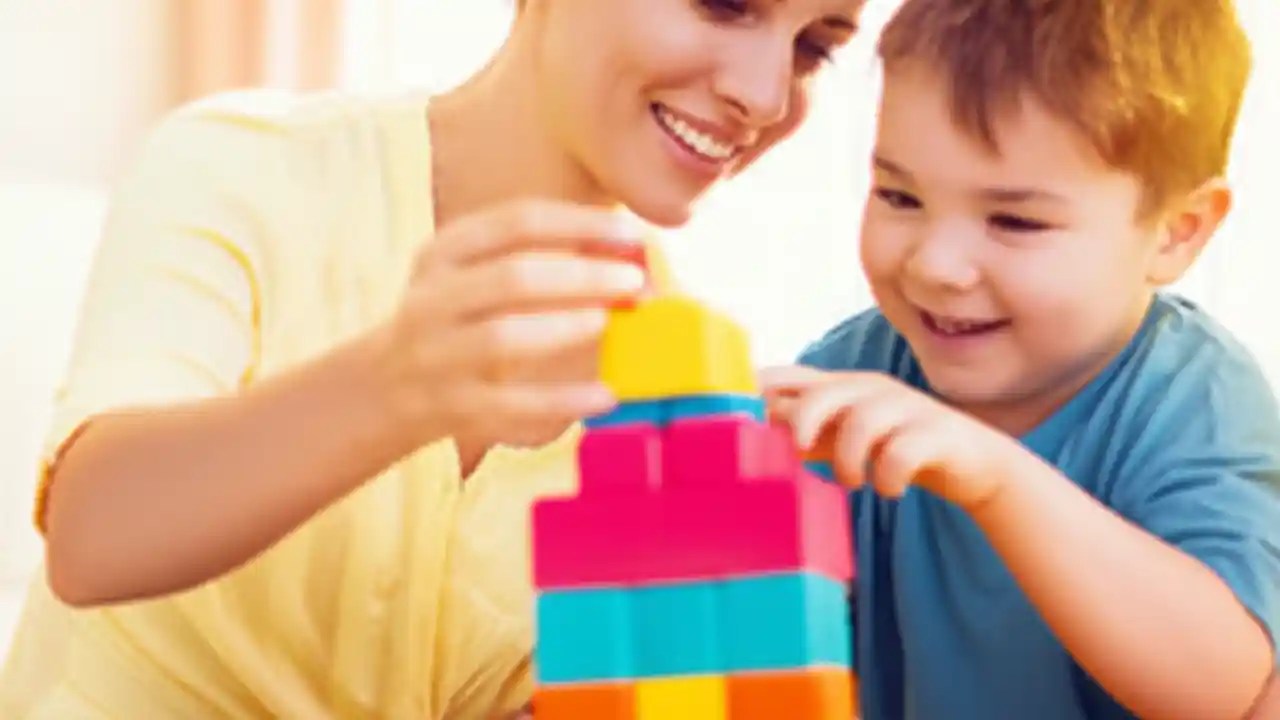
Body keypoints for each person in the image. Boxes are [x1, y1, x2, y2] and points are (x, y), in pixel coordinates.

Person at [0, 0, 866, 717]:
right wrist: (400, 385)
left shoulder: (680, 384)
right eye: (725, 3)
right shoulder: (246, 167)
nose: (764, 94)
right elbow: (93, 535)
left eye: (813, 48)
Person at [763, 1, 1280, 718]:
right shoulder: (855, 374)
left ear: (1175, 233)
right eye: (899, 195)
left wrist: (998, 480)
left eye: (1015, 220)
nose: (936, 265)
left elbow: (1222, 688)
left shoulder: (1197, 401)